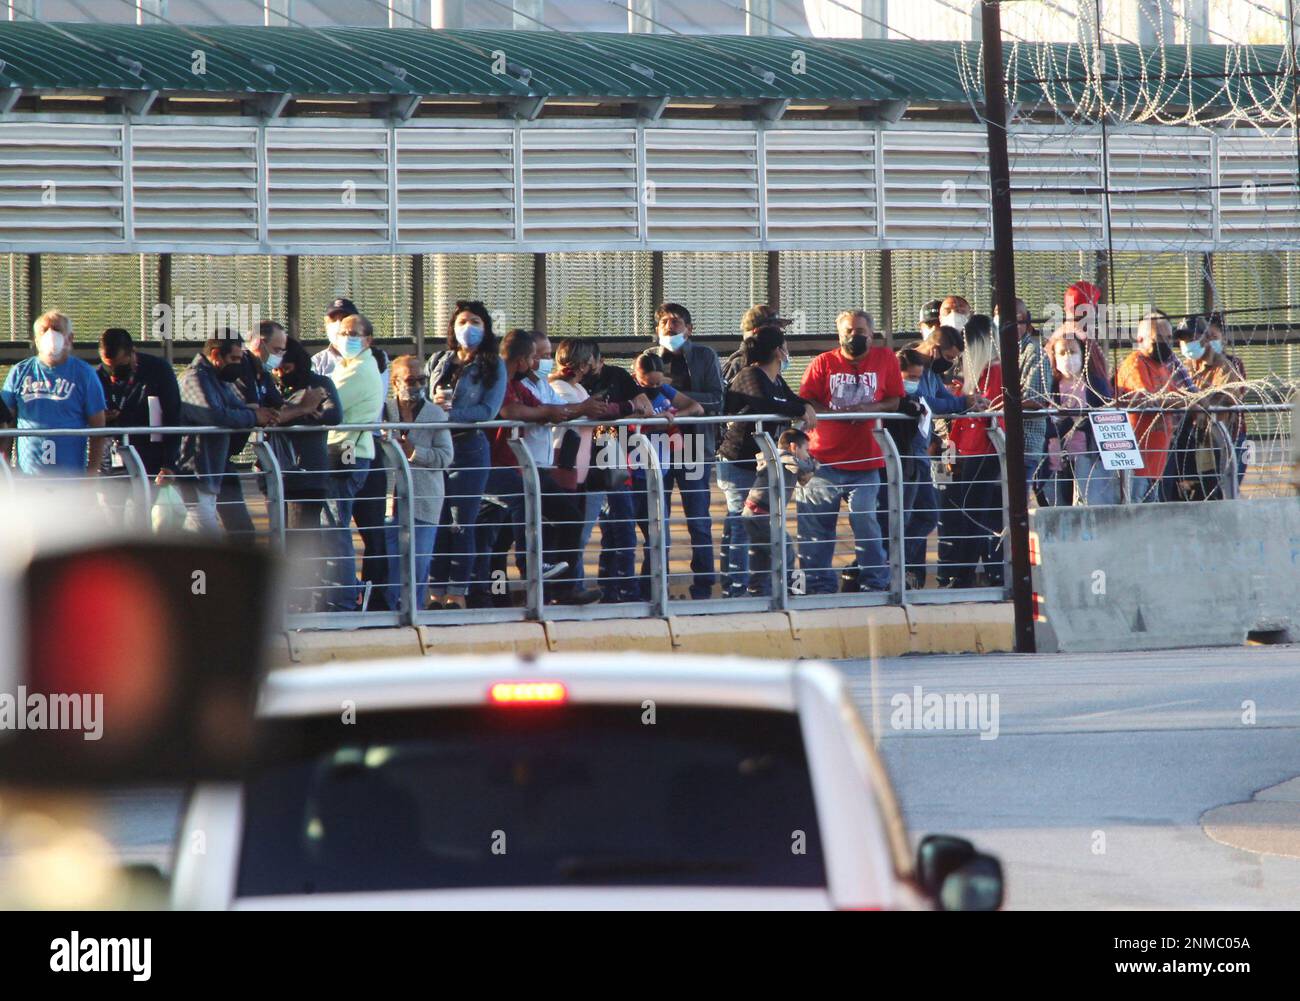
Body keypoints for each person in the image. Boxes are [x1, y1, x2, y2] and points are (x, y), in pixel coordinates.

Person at [481, 332, 601, 606]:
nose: (543, 362)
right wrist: (549, 413)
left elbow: (545, 408)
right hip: (504, 466)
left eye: (546, 356)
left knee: (568, 517)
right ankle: (497, 594)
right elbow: (511, 412)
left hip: (532, 468)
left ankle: (564, 588)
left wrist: (564, 411)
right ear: (524, 358)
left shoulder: (527, 384)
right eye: (540, 356)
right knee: (497, 540)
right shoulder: (498, 379)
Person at [795, 309, 901, 594]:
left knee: (866, 522)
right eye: (848, 332)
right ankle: (817, 587)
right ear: (839, 335)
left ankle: (874, 583)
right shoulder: (823, 363)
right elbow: (806, 401)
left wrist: (869, 409)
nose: (854, 337)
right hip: (822, 460)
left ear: (871, 334)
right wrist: (833, 414)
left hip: (866, 460)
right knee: (816, 529)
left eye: (860, 332)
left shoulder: (886, 359)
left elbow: (894, 400)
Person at [717, 324, 817, 597]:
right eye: (785, 345)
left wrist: (805, 405)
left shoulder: (775, 380)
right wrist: (798, 408)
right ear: (778, 350)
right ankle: (734, 591)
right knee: (741, 525)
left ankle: (770, 588)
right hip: (739, 464)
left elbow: (788, 398)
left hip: (763, 467)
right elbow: (764, 403)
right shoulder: (750, 375)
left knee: (768, 530)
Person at [425, 300, 508, 610]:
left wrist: (452, 414)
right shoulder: (439, 360)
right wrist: (433, 406)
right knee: (438, 519)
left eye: (475, 321)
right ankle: (435, 591)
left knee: (461, 523)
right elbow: (422, 399)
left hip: (469, 447)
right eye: (462, 321)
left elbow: (489, 410)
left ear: (485, 328)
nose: (468, 328)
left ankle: (457, 593)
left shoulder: (492, 364)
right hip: (436, 447)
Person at [648, 303, 723, 599]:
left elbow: (717, 399)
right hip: (658, 448)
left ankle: (703, 587)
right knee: (657, 518)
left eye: (676, 321)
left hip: (693, 445)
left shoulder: (704, 356)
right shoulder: (648, 358)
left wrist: (671, 393)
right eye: (664, 322)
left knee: (699, 520)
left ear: (689, 329)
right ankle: (657, 585)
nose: (669, 326)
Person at [893, 344, 977, 589]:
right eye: (911, 378)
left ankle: (893, 560)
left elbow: (943, 400)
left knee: (927, 515)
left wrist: (965, 402)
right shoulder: (899, 394)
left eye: (918, 378)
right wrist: (961, 403)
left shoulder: (931, 376)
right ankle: (889, 564)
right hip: (904, 459)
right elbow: (927, 401)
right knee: (905, 516)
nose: (915, 383)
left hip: (921, 457)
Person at [177, 331, 278, 534]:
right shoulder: (194, 378)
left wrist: (259, 414)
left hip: (209, 475)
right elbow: (214, 416)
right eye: (233, 359)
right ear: (216, 355)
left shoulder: (217, 379)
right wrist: (254, 417)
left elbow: (237, 407)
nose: (238, 365)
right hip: (195, 473)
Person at [580, 339, 653, 602]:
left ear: (601, 361)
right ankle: (605, 587)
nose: (584, 369)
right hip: (585, 462)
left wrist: (621, 411)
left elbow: (644, 407)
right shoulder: (572, 382)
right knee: (599, 528)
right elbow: (580, 412)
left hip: (618, 460)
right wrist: (622, 409)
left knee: (622, 526)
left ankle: (624, 589)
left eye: (590, 363)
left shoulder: (617, 376)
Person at [271, 337, 340, 611]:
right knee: (280, 535)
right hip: (275, 474)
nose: (279, 373)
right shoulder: (270, 384)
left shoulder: (319, 383)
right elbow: (266, 417)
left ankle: (305, 602)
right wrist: (304, 409)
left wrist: (291, 414)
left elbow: (333, 416)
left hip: (308, 474)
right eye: (277, 368)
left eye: (285, 368)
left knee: (303, 539)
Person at [381, 355, 453, 613]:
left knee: (418, 563)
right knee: (391, 564)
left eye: (421, 379)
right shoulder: (383, 411)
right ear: (395, 382)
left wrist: (415, 451)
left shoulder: (434, 413)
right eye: (411, 380)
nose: (417, 385)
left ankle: (414, 614)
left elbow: (446, 457)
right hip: (389, 502)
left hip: (424, 501)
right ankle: (390, 613)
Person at [937, 315, 1005, 588]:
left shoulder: (994, 372)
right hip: (966, 451)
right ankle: (962, 572)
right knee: (966, 514)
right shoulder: (975, 372)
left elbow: (988, 412)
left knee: (975, 515)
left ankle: (965, 574)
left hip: (983, 451)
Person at [324, 313, 385, 610]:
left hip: (348, 453)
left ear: (368, 339)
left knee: (335, 526)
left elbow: (328, 401)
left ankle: (345, 598)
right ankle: (338, 594)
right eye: (342, 332)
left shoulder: (360, 370)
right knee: (331, 526)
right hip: (344, 452)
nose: (346, 337)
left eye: (353, 332)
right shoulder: (349, 365)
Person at [1, 311, 108, 479]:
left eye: (57, 329)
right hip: (29, 478)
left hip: (70, 477)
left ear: (69, 338)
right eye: (44, 330)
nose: (50, 334)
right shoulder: (19, 372)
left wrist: (91, 474)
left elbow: (98, 428)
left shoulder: (84, 374)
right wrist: (5, 469)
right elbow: (7, 424)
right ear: (36, 340)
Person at [1042, 325, 1118, 507]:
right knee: (1058, 507)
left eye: (1072, 351)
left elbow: (1107, 415)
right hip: (1056, 459)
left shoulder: (1094, 384)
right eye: (1062, 352)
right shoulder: (1050, 385)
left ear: (1082, 354)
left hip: (1087, 458)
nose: (1068, 357)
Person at [96, 327, 180, 484]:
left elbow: (173, 416)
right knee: (111, 506)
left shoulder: (158, 370)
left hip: (150, 459)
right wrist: (101, 417)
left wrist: (169, 463)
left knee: (145, 505)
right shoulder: (98, 375)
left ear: (132, 352)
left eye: (119, 367)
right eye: (109, 367)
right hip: (113, 458)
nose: (113, 373)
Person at [742, 427, 818, 597]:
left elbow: (804, 479)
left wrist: (810, 466)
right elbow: (803, 468)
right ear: (793, 447)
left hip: (755, 514)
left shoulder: (780, 459)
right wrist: (813, 463)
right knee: (786, 549)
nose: (808, 454)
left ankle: (756, 591)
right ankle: (792, 591)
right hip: (761, 515)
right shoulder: (782, 458)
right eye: (806, 449)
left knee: (762, 555)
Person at [1115, 311, 1181, 503]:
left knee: (1151, 517)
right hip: (1136, 464)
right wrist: (1174, 401)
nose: (1166, 343)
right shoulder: (1135, 364)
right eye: (1158, 338)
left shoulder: (1161, 366)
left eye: (1169, 338)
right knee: (1135, 514)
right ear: (1141, 338)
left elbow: (1180, 396)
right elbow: (1145, 398)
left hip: (1155, 463)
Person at [722, 304, 790, 384]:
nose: (778, 335)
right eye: (774, 329)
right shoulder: (741, 363)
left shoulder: (772, 367)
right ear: (757, 332)